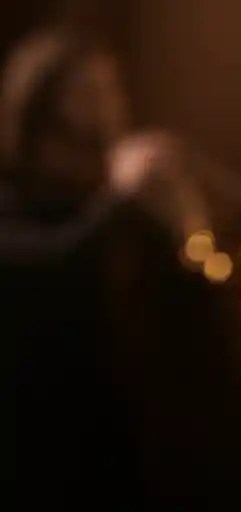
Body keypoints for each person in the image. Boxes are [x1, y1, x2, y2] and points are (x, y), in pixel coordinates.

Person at [0, 27, 214, 508]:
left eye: (111, 89)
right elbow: (45, 271)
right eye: (87, 92)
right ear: (43, 103)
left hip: (124, 445)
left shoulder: (119, 206)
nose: (108, 107)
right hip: (33, 445)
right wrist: (121, 198)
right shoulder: (15, 201)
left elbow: (199, 283)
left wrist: (189, 223)